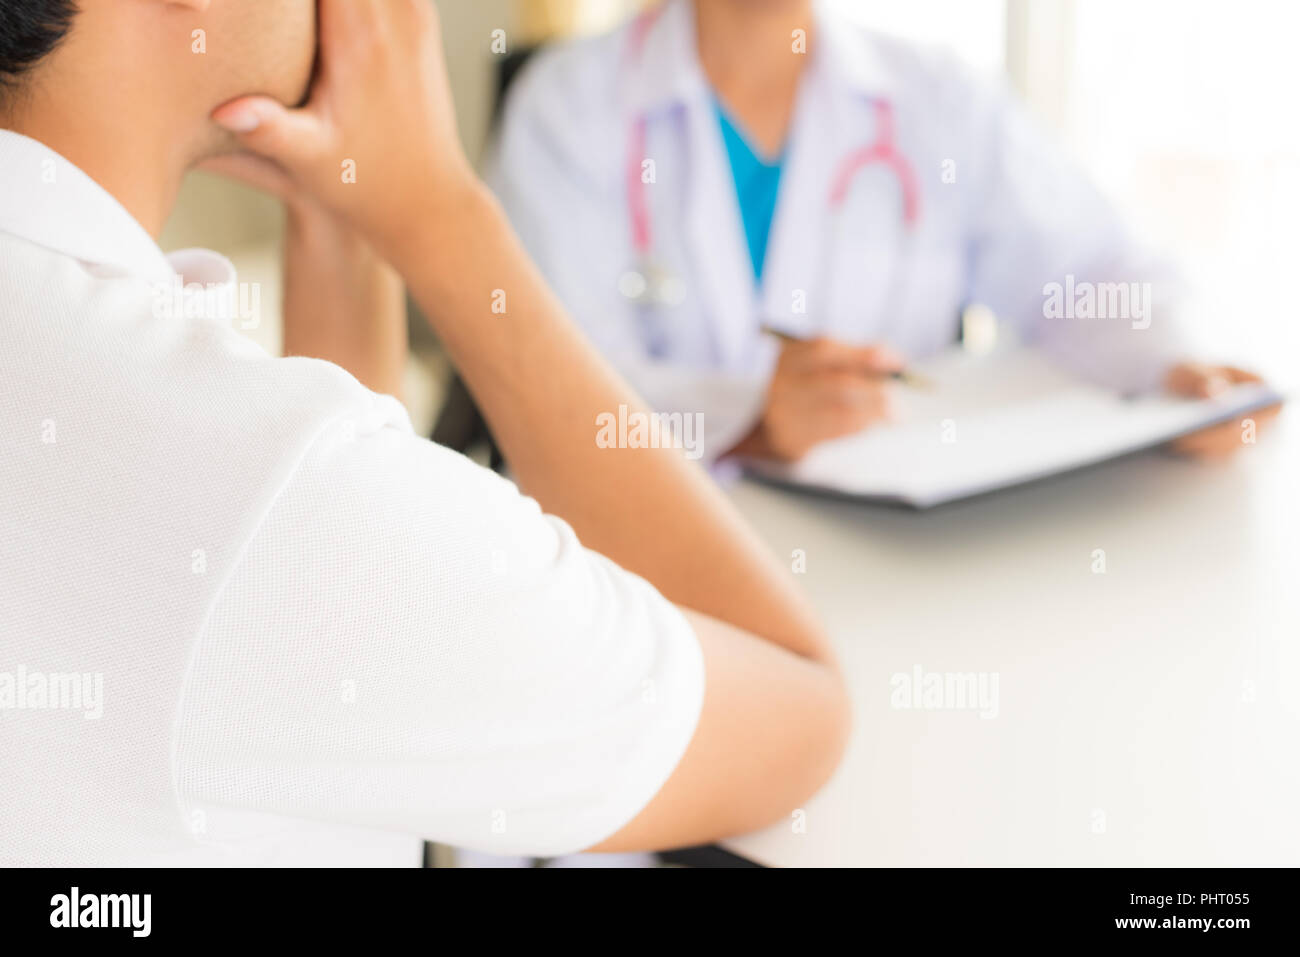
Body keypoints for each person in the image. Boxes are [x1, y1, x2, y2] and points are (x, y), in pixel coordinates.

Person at [0, 0, 848, 866]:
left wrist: (346, 215)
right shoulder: (259, 493)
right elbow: (798, 711)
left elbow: (339, 637)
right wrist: (440, 217)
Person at [489, 0, 1278, 464]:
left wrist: (1174, 364)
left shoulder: (941, 100)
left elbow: (1093, 270)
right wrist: (751, 422)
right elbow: (550, 389)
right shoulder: (567, 111)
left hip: (904, 557)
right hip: (652, 579)